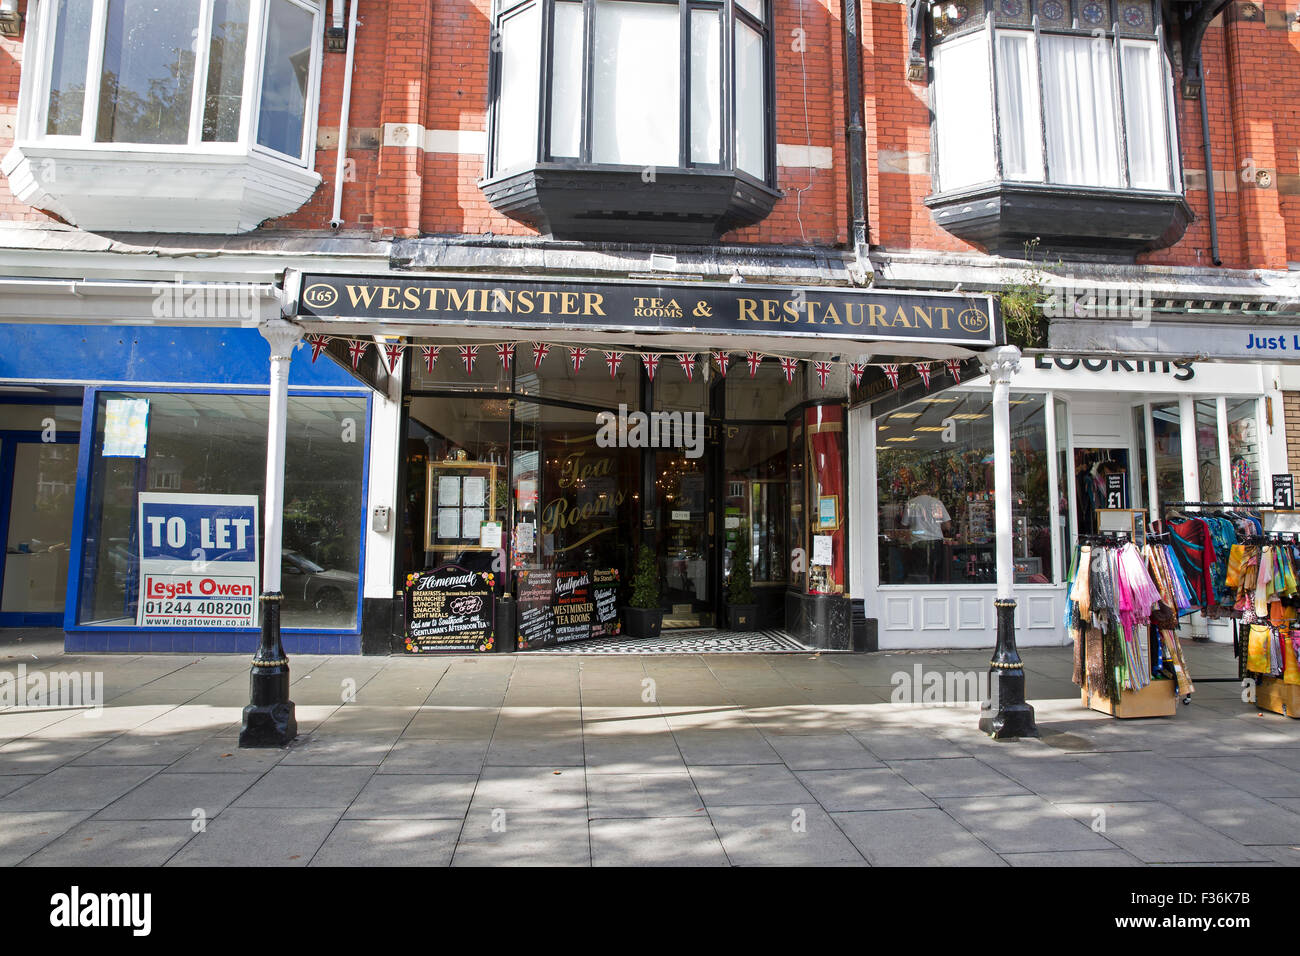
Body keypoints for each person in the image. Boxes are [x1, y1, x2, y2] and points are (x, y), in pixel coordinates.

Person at [902, 486, 952, 582]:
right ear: (929, 491)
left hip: (918, 542)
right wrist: (935, 527)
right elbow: (947, 526)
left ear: (916, 491)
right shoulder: (936, 503)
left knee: (920, 574)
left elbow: (905, 525)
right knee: (937, 572)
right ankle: (936, 594)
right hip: (935, 542)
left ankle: (921, 593)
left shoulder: (911, 503)